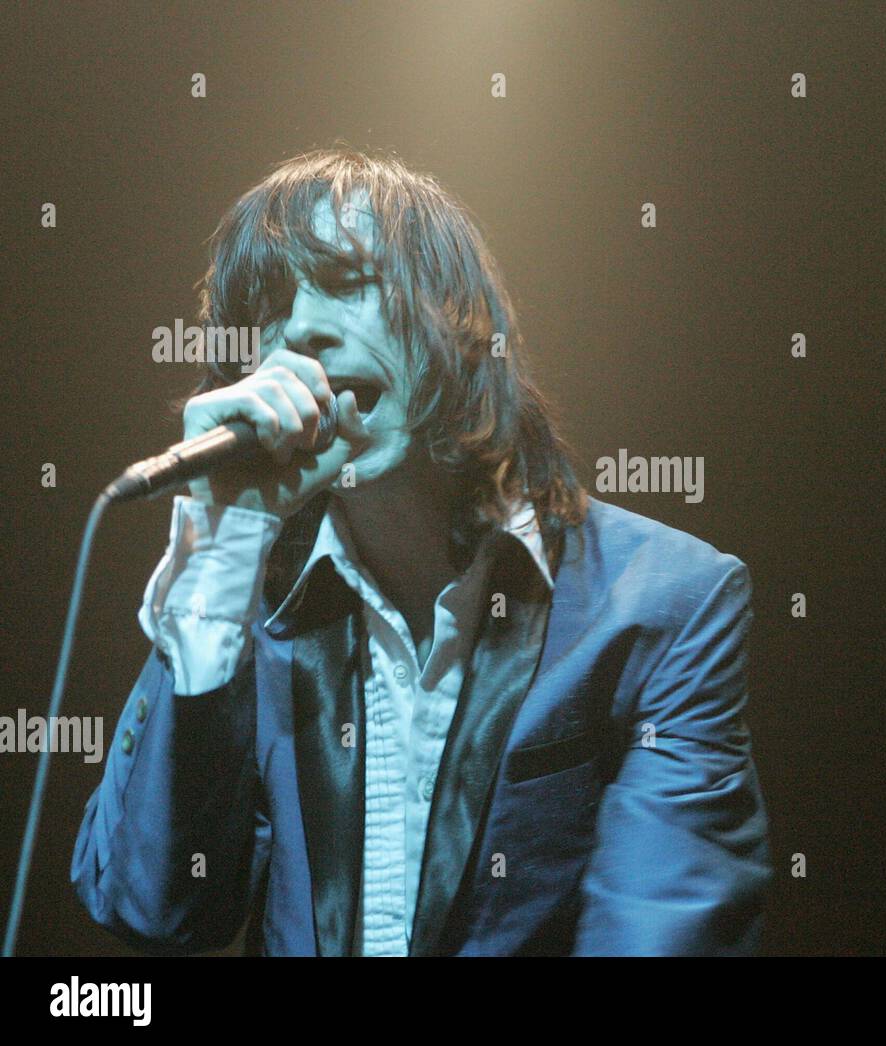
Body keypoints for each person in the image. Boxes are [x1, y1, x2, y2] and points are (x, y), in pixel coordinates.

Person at [71, 148, 771, 955]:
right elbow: (154, 910)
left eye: (344, 282)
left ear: (456, 317)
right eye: (270, 307)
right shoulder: (246, 613)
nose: (301, 328)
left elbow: (661, 932)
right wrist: (219, 546)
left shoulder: (664, 601)